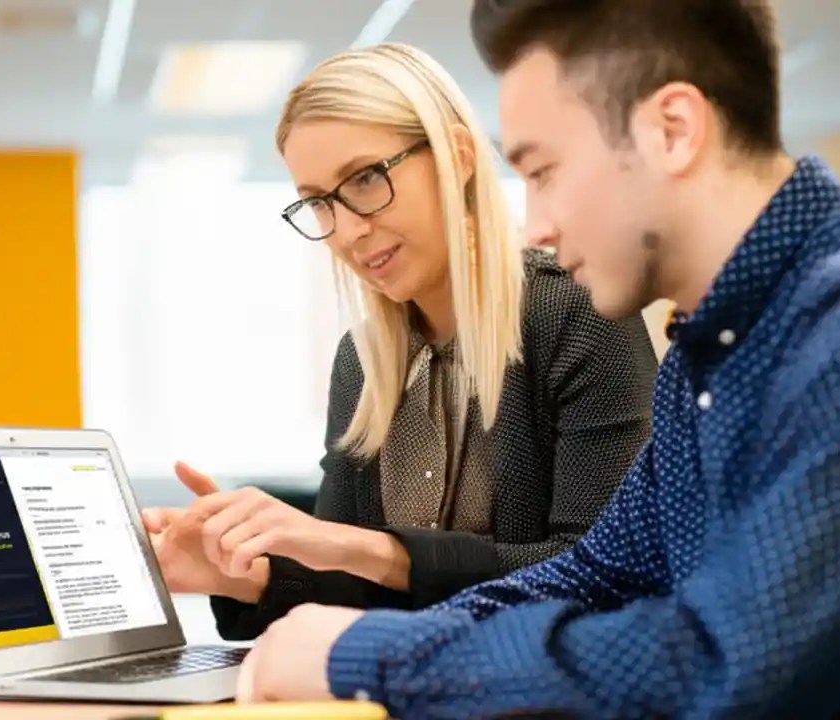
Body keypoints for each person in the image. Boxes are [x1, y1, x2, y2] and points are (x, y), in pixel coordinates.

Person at [233, 1, 840, 718]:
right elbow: (596, 575)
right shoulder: (710, 346)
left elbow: (724, 670)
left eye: (545, 170)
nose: (539, 224)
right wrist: (346, 641)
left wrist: (370, 656)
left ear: (673, 130)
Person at [140, 43, 658, 641]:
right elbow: (344, 591)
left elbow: (604, 578)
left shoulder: (575, 313)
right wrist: (242, 574)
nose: (350, 230)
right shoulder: (362, 362)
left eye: (364, 179)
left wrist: (373, 550)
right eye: (318, 201)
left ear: (456, 157)